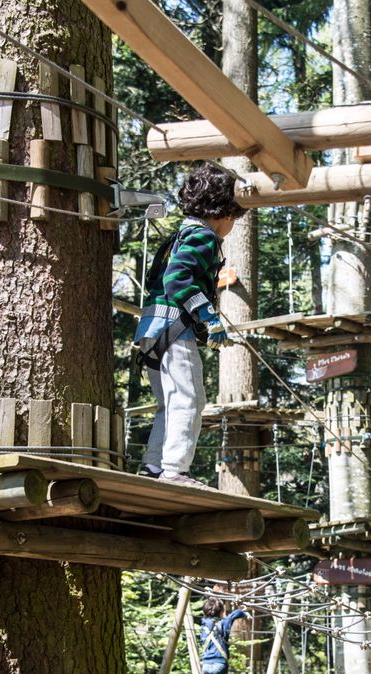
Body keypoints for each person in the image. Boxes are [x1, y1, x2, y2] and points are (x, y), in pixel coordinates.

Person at [134, 164, 247, 488]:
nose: (232, 226)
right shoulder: (203, 236)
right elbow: (176, 280)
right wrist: (209, 318)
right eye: (234, 219)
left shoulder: (178, 235)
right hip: (174, 330)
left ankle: (155, 466)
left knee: (169, 403)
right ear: (225, 211)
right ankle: (175, 471)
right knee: (189, 399)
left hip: (153, 330)